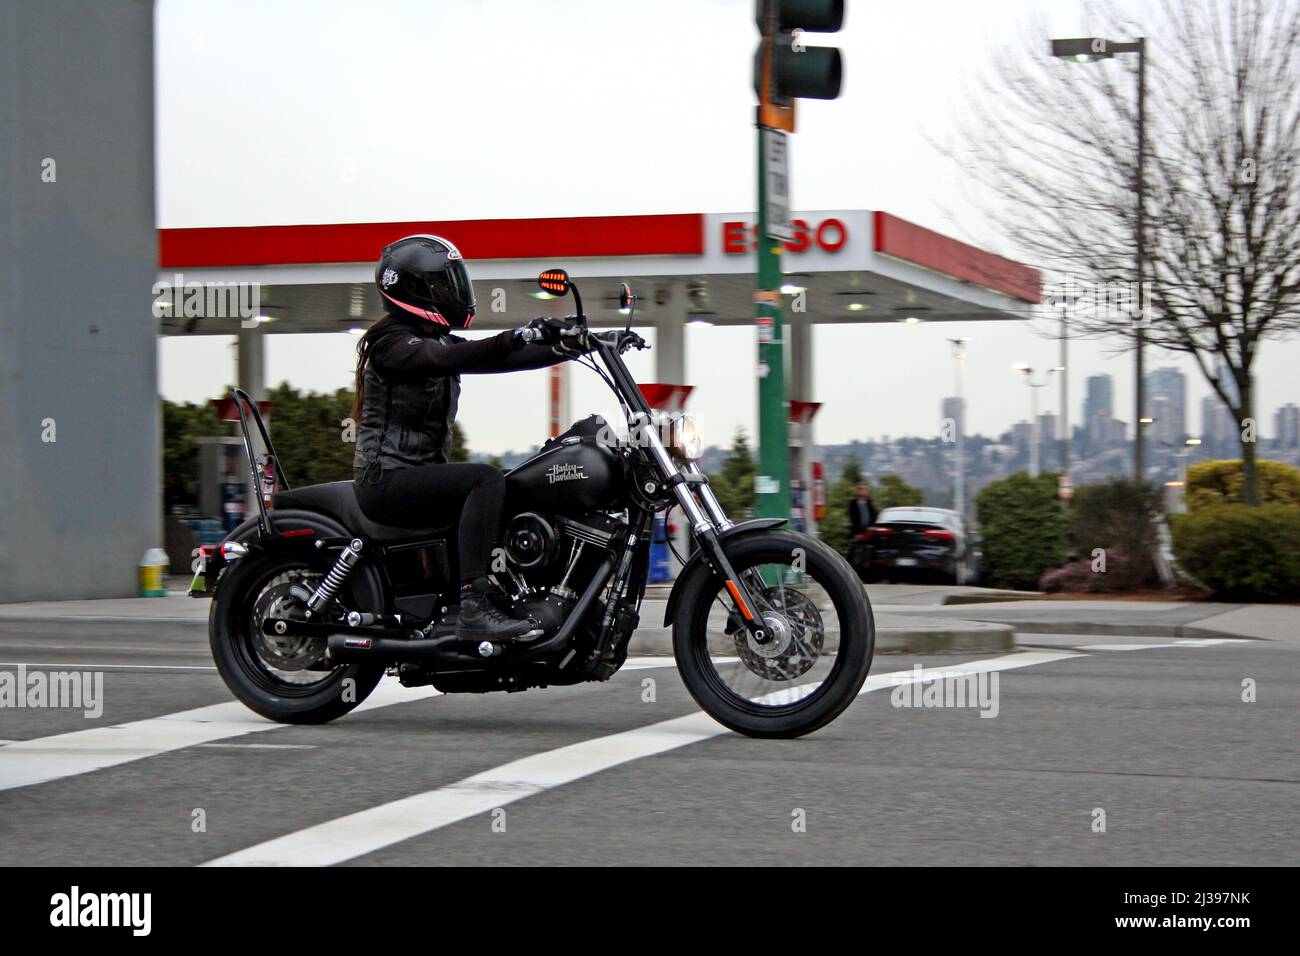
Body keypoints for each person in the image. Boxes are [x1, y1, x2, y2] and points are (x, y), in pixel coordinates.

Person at [351, 234, 573, 642]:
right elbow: (454, 357)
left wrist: (576, 345)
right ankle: (474, 607)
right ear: (413, 288)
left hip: (419, 475)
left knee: (517, 483)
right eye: (441, 283)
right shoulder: (392, 345)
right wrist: (519, 333)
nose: (452, 291)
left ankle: (509, 595)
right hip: (386, 481)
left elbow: (500, 360)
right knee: (485, 479)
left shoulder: (432, 340)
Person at [846, 481, 878, 570]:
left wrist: (872, 528)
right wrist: (857, 533)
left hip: (868, 531)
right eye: (860, 489)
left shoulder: (869, 502)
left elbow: (874, 515)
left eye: (864, 489)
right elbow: (853, 518)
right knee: (853, 552)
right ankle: (849, 569)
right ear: (857, 491)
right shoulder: (853, 503)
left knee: (868, 552)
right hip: (857, 532)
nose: (862, 491)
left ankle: (867, 572)